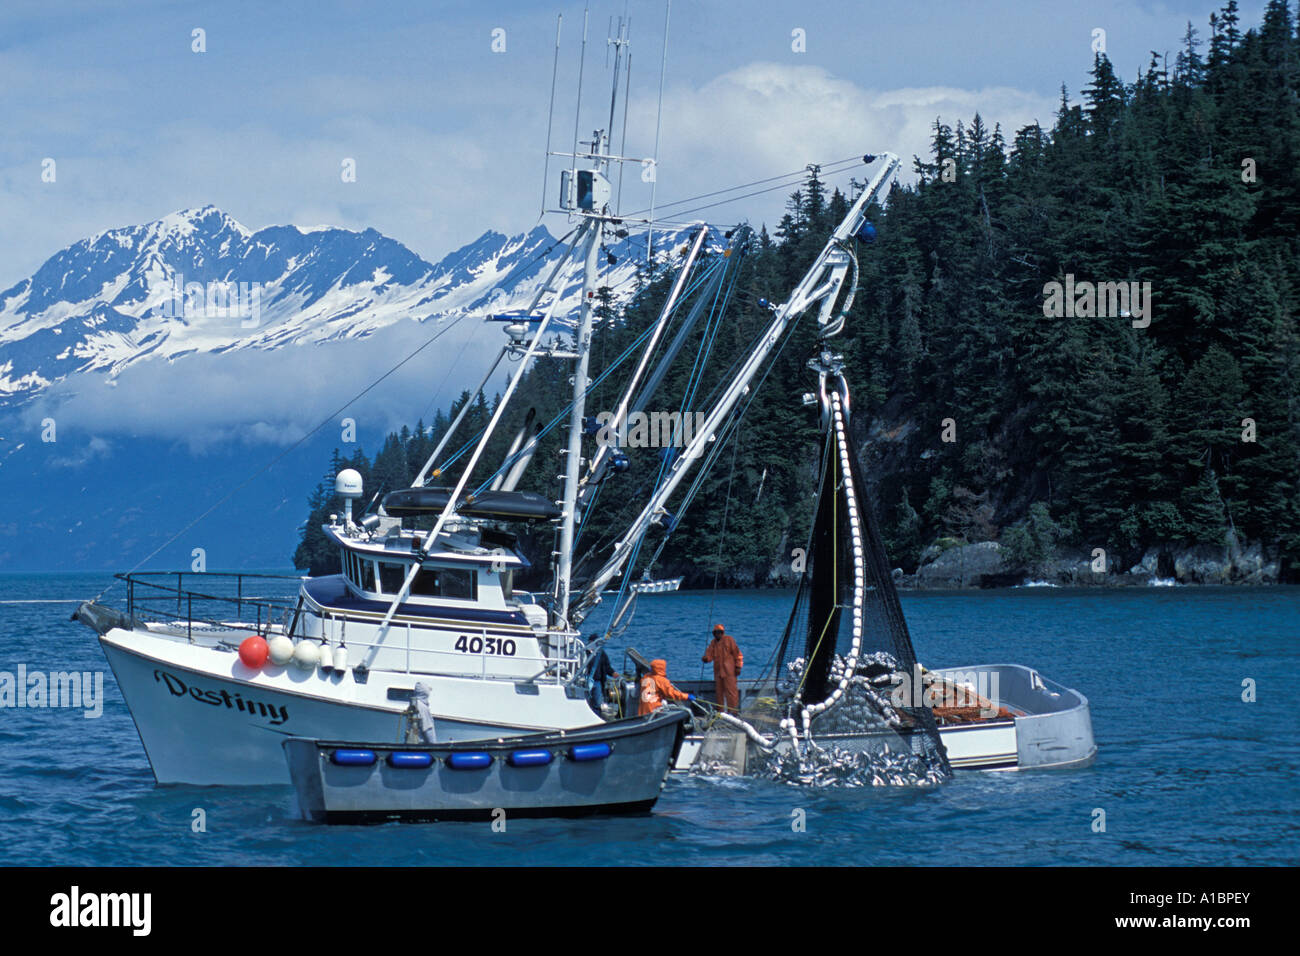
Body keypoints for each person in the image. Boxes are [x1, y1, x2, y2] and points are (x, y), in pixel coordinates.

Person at [703, 623, 743, 713]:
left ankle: (733, 713)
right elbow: (709, 655)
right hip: (718, 673)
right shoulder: (713, 643)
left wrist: (738, 666)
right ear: (714, 634)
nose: (718, 634)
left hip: (730, 672)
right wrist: (706, 658)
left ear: (722, 633)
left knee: (731, 693)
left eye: (719, 632)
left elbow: (738, 654)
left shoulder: (729, 640)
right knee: (719, 694)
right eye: (716, 633)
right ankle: (721, 713)